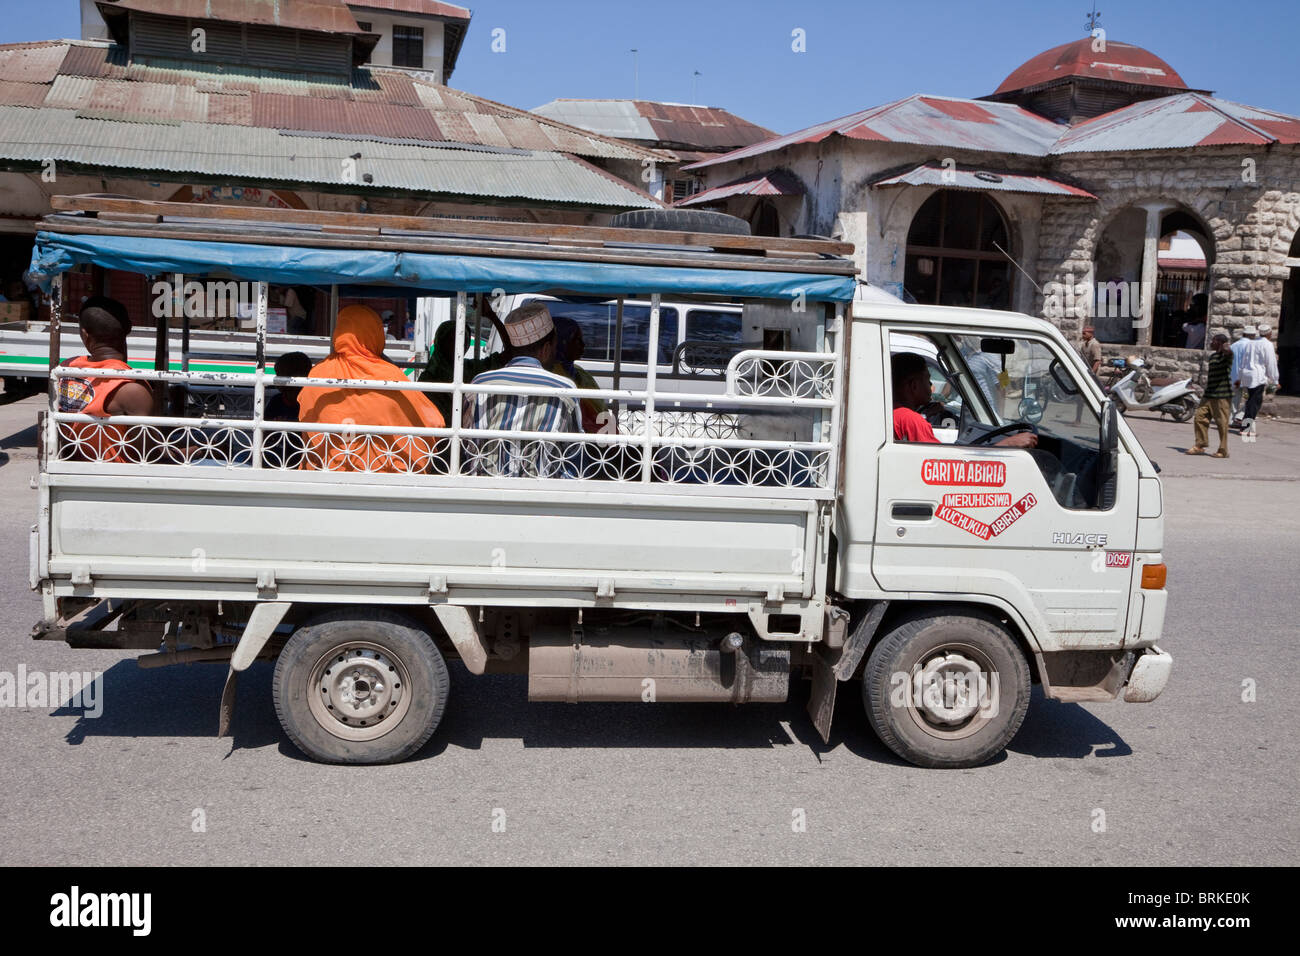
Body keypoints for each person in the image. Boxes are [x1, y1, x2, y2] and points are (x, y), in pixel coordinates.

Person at [297, 305, 444, 473]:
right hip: (387, 473)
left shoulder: (319, 373)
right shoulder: (390, 375)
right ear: (374, 333)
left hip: (329, 471)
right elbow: (431, 420)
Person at [462, 301, 581, 476]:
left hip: (485, 488)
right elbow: (574, 450)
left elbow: (466, 443)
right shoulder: (565, 388)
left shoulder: (480, 383)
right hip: (541, 490)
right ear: (547, 349)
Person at [57, 298, 154, 462]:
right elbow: (148, 455)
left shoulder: (65, 370)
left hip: (74, 465)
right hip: (117, 478)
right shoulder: (131, 389)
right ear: (129, 328)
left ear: (85, 334)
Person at [892, 352, 1036, 448]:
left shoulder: (894, 413)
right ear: (914, 385)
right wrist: (1006, 444)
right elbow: (944, 468)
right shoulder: (911, 420)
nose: (931, 385)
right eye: (928, 380)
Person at [549, 316, 611, 434]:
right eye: (577, 340)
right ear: (562, 341)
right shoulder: (552, 374)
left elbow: (601, 411)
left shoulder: (580, 373)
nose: (583, 344)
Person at [1185, 333, 1232, 458]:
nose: (1211, 343)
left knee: (1222, 423)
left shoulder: (1226, 357)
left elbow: (1229, 353)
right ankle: (1200, 445)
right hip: (1209, 394)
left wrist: (1226, 347)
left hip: (1222, 395)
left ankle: (1223, 450)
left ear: (1219, 343)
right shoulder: (1213, 356)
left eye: (1213, 341)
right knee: (1199, 417)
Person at [1231, 324, 1279, 432]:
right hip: (1257, 376)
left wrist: (1240, 376)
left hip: (1246, 375)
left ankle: (1243, 424)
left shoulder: (1251, 343)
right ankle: (1246, 428)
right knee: (1254, 403)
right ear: (1269, 333)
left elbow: (1244, 361)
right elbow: (1271, 363)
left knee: (1250, 401)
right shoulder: (1267, 345)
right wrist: (1275, 380)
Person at [265, 351, 312, 422]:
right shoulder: (276, 401)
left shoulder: (310, 401)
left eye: (280, 374)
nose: (277, 379)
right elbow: (266, 428)